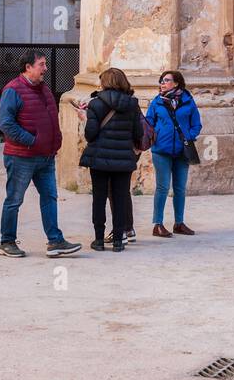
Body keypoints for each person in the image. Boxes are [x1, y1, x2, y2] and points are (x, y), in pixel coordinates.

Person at [0, 51, 81, 258]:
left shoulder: (44, 89)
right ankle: (7, 242)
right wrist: (31, 140)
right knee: (14, 199)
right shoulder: (12, 90)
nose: (45, 68)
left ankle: (55, 241)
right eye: (41, 64)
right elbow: (5, 123)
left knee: (50, 197)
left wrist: (54, 142)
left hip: (46, 157)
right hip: (21, 157)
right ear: (28, 67)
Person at [78, 68, 147, 252]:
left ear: (104, 82)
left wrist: (84, 118)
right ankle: (118, 241)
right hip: (123, 159)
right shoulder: (132, 104)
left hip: (99, 159)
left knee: (99, 199)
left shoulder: (95, 104)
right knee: (120, 198)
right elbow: (138, 133)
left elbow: (90, 135)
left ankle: (99, 240)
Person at [144, 69, 202, 237]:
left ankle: (179, 223)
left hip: (182, 150)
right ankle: (158, 224)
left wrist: (188, 136)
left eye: (166, 80)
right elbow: (148, 123)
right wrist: (156, 136)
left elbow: (196, 124)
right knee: (162, 187)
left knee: (180, 188)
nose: (162, 83)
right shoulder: (157, 102)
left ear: (176, 83)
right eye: (161, 81)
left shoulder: (188, 101)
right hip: (161, 150)